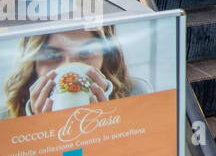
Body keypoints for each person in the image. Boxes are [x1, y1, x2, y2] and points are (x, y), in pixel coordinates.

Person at [4, 27, 145, 118]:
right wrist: (39, 128)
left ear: (105, 58)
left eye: (87, 52)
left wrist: (106, 123)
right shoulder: (5, 119)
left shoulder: (134, 96)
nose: (68, 66)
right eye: (52, 55)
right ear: (33, 64)